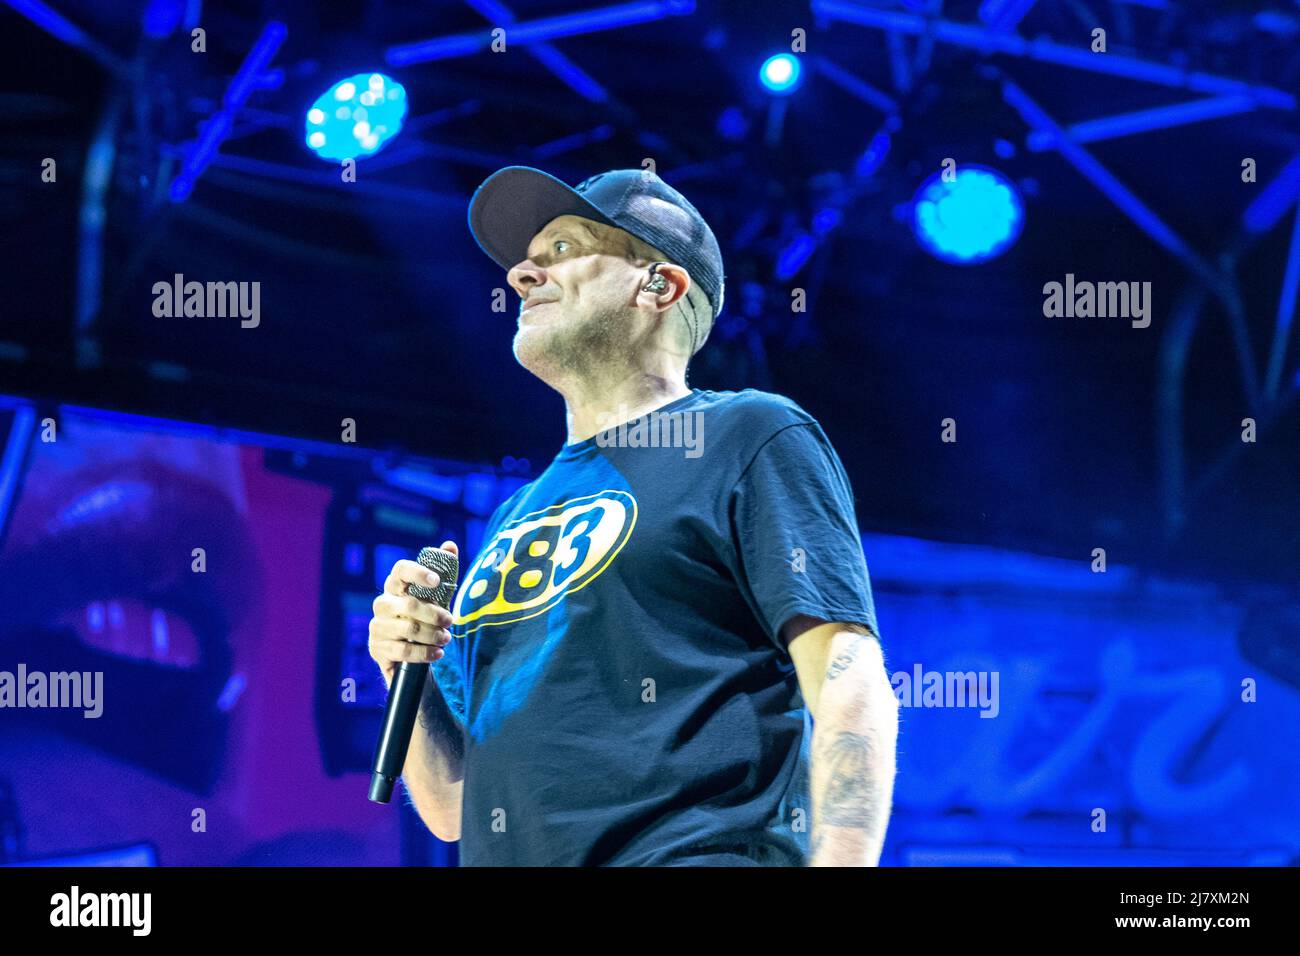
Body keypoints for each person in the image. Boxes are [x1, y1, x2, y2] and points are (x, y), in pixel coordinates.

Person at [368, 166, 898, 866]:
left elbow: (846, 674)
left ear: (658, 285)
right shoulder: (512, 521)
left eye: (562, 248)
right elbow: (450, 806)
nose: (523, 273)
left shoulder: (749, 435)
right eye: (528, 258)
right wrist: (405, 668)